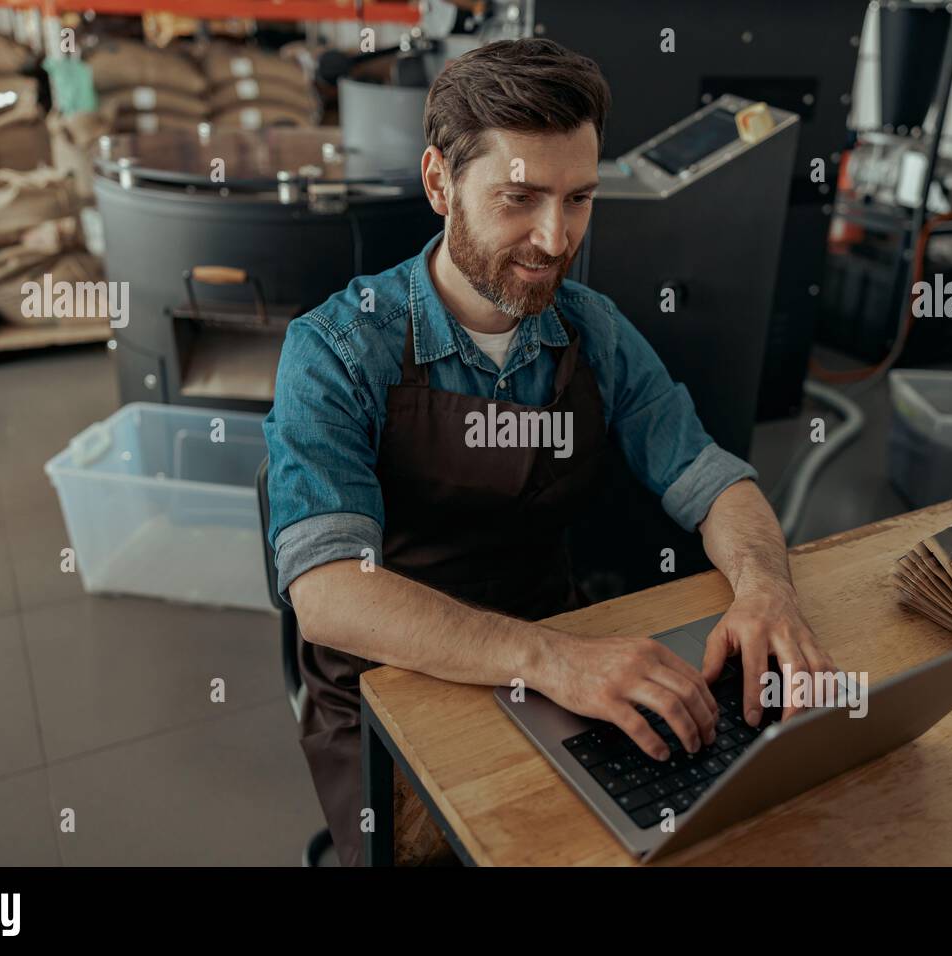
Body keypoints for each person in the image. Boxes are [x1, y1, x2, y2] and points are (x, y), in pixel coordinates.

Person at [264, 37, 838, 866]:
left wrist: (765, 588)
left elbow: (713, 482)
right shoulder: (337, 348)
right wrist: (548, 659)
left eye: (578, 199)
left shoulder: (594, 331)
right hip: (386, 695)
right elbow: (328, 595)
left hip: (563, 665)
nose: (554, 237)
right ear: (439, 183)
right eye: (521, 198)